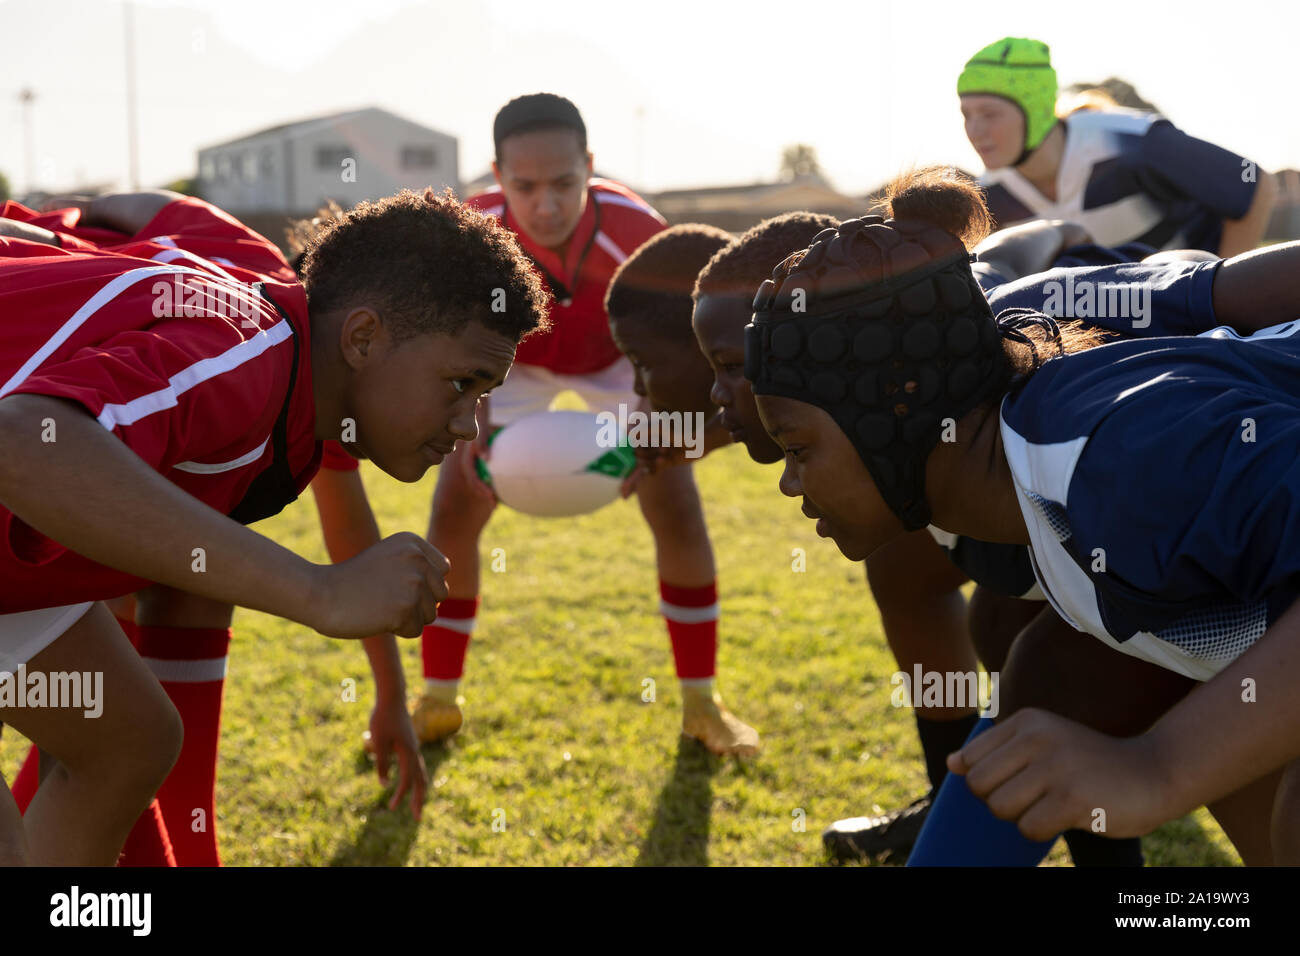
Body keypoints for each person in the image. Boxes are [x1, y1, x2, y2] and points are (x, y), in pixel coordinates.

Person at [745, 168, 1300, 864]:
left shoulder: (1105, 453)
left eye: (798, 447)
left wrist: (1158, 768)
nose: (789, 482)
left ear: (894, 410)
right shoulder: (1040, 474)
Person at [0, 186, 546, 864]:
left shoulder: (273, 313)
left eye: (484, 395)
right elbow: (26, 443)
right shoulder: (248, 350)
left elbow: (144, 211)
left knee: (126, 743)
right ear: (364, 337)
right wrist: (318, 591)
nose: (468, 424)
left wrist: (48, 240)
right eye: (462, 383)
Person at [414, 93, 759, 756]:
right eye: (525, 187)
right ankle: (438, 697)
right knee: (456, 501)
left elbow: (672, 349)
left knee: (674, 498)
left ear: (591, 166)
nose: (545, 206)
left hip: (619, 364)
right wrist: (472, 411)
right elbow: (450, 342)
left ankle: (699, 702)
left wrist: (656, 428)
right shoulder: (468, 234)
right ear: (495, 174)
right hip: (511, 363)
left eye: (564, 184)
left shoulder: (639, 232)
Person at [958, 36, 1277, 256]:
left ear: (1036, 110)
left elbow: (1255, 179)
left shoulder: (1132, 142)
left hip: (1193, 321)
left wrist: (1219, 300)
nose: (974, 130)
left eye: (990, 114)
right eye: (966, 115)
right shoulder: (989, 197)